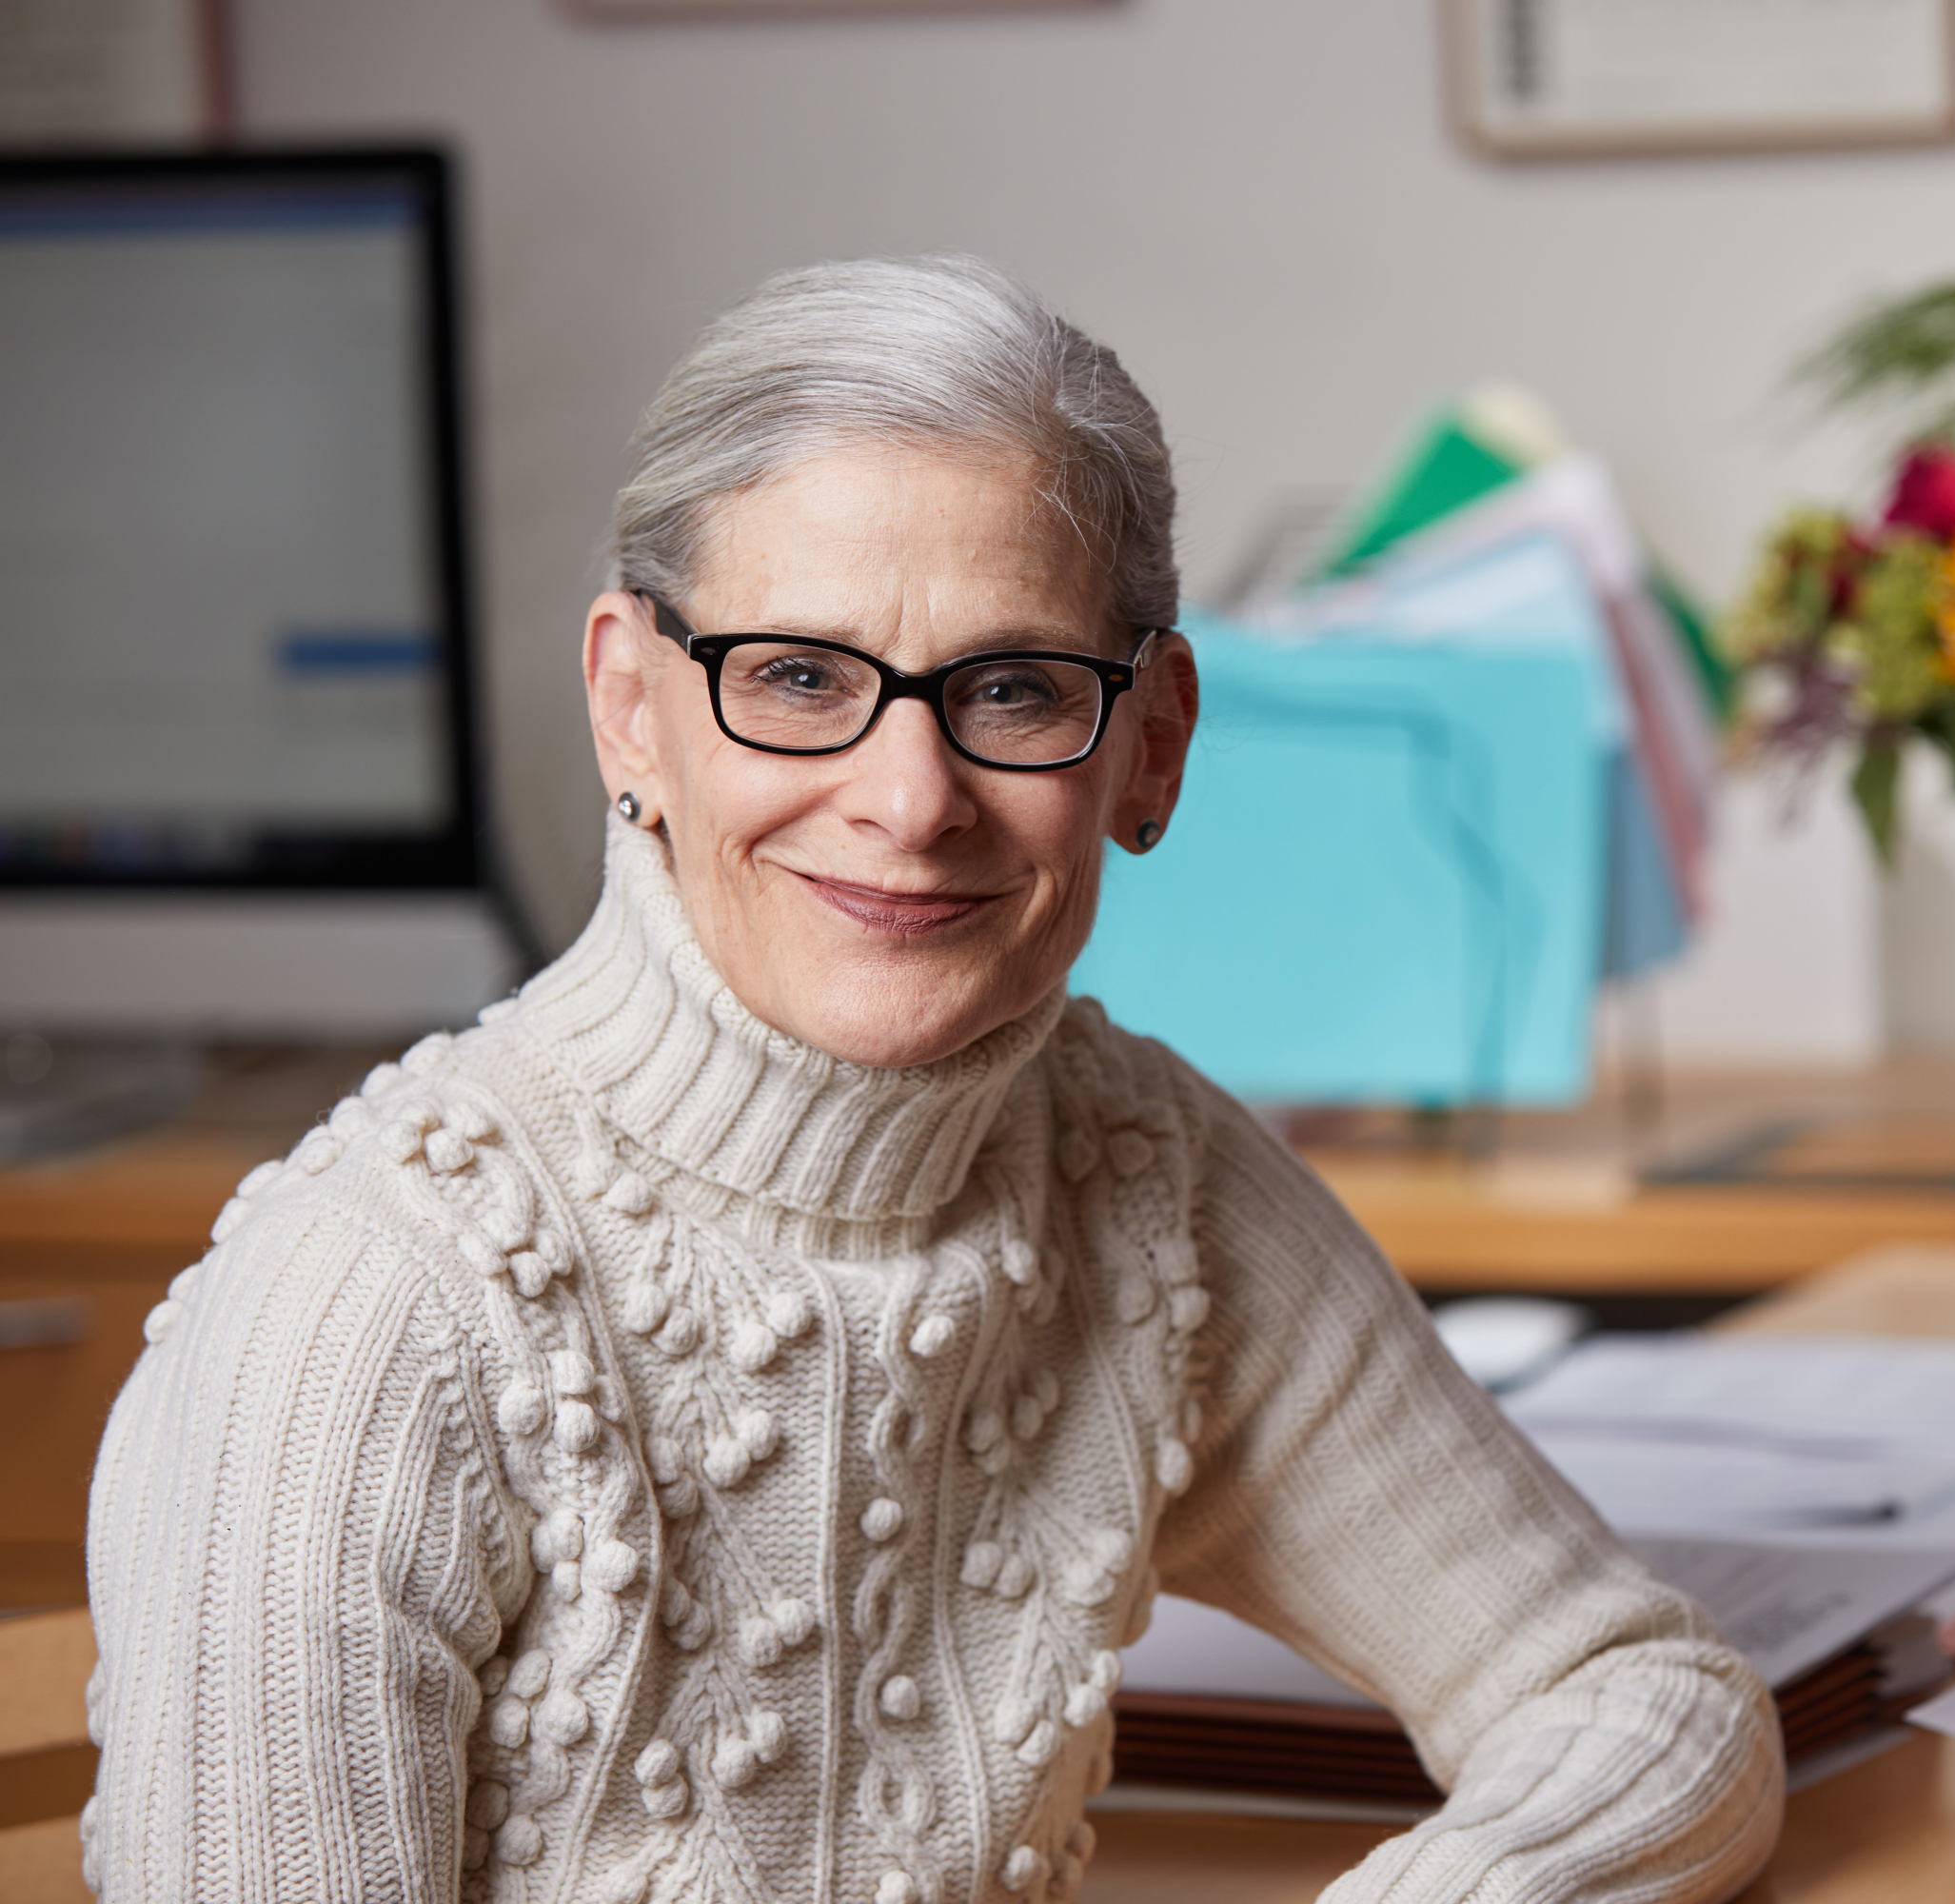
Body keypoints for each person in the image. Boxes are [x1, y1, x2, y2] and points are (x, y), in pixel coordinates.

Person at [84, 254, 1783, 1903]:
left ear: (1153, 745)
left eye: (1015, 687)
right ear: (629, 707)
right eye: (800, 678)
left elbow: (1639, 1693)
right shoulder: (372, 1304)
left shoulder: (1146, 1174)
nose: (910, 797)